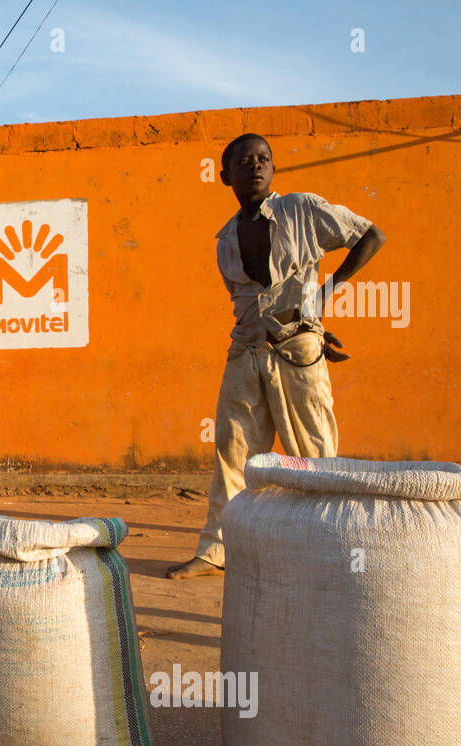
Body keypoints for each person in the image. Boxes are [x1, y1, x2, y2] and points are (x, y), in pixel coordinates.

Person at [167, 133, 386, 579]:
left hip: (298, 346)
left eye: (264, 159)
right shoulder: (225, 239)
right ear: (225, 175)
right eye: (244, 161)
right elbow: (247, 301)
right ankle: (216, 553)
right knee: (234, 454)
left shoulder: (301, 209)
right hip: (245, 350)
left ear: (274, 168)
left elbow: (370, 235)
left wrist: (325, 295)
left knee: (315, 453)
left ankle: (332, 549)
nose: (256, 166)